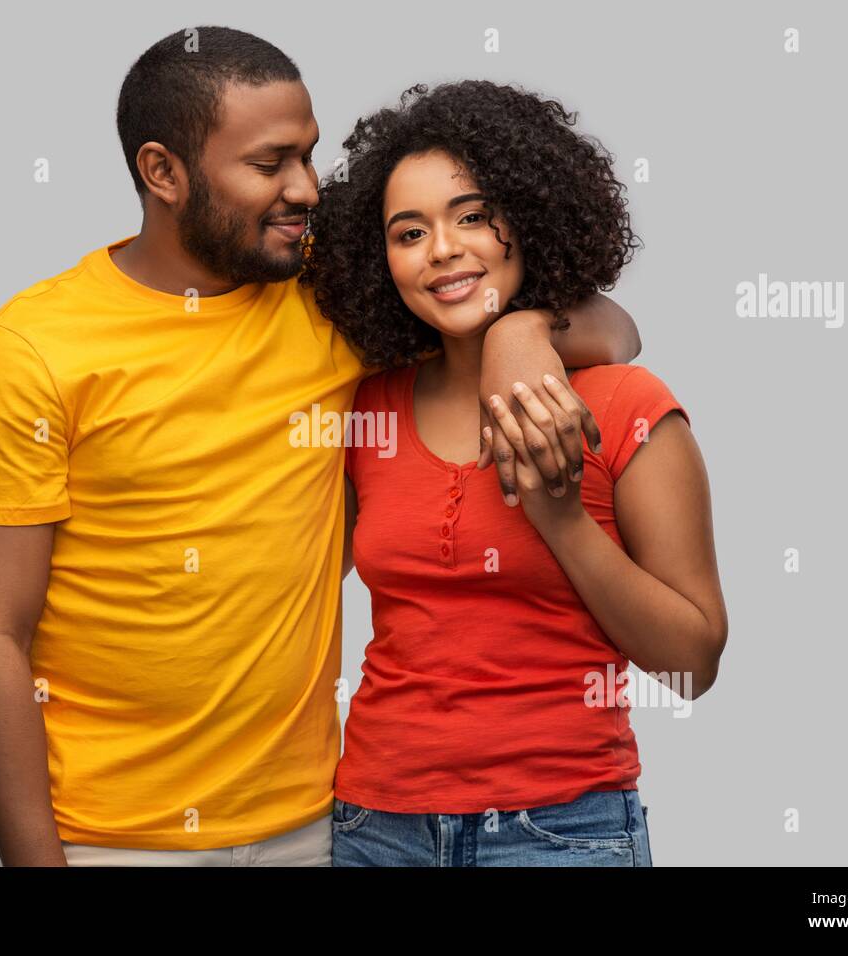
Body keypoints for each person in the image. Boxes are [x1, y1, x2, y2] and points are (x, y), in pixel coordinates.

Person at [0, 28, 641, 867]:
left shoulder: (331, 296)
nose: (307, 188)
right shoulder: (32, 350)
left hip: (315, 827)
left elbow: (611, 328)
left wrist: (519, 334)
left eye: (307, 154)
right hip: (100, 839)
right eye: (270, 164)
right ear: (163, 173)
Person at [302, 80, 728, 866]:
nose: (442, 249)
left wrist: (562, 520)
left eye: (472, 216)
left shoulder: (627, 406)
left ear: (529, 220)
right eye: (409, 232)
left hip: (561, 831)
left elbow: (692, 664)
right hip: (374, 828)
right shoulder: (369, 409)